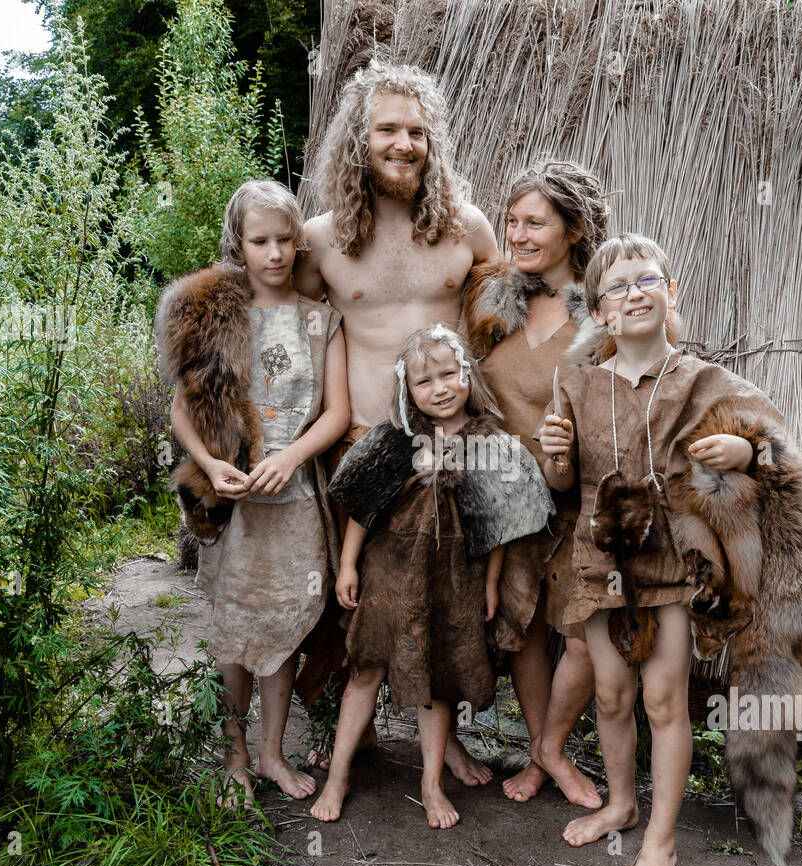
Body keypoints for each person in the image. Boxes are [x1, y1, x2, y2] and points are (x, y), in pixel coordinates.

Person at [538, 233, 781, 866]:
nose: (633, 293)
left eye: (647, 280)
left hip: (670, 559)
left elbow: (775, 443)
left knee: (663, 698)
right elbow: (560, 483)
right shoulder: (576, 382)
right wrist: (552, 453)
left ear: (670, 293)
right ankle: (621, 803)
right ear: (599, 310)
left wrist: (743, 447)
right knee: (611, 694)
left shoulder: (702, 379)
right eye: (617, 287)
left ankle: (659, 842)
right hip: (598, 558)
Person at [292, 58, 498, 786]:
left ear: (432, 139)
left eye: (416, 130)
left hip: (447, 455)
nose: (403, 142)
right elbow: (291, 322)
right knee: (352, 606)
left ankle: (442, 745)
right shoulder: (320, 242)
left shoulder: (466, 228)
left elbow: (503, 320)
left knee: (441, 603)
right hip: (360, 450)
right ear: (359, 137)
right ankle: (345, 741)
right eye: (388, 129)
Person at [309, 326, 554, 828]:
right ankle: (337, 776)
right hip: (388, 577)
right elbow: (361, 506)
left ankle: (430, 783)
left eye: (449, 374)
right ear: (407, 388)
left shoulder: (490, 442)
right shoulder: (398, 438)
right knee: (367, 670)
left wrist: (490, 585)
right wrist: (349, 565)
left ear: (467, 373)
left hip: (452, 583)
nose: (440, 387)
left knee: (435, 677)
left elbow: (501, 522)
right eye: (425, 381)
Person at [157, 179, 349, 806]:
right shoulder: (217, 318)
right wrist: (211, 466)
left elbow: (337, 413)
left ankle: (273, 753)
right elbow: (182, 411)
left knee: (287, 626)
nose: (274, 253)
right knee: (236, 628)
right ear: (237, 244)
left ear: (299, 242)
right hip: (234, 502)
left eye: (284, 239)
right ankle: (233, 754)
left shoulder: (321, 321)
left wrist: (293, 455)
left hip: (294, 504)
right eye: (259, 240)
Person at [462, 159, 609, 808]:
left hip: (579, 499)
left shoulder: (601, 312)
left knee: (582, 632)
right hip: (506, 496)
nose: (518, 235)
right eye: (512, 221)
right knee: (519, 628)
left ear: (573, 229)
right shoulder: (490, 298)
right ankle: (537, 750)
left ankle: (551, 746)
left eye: (535, 223)